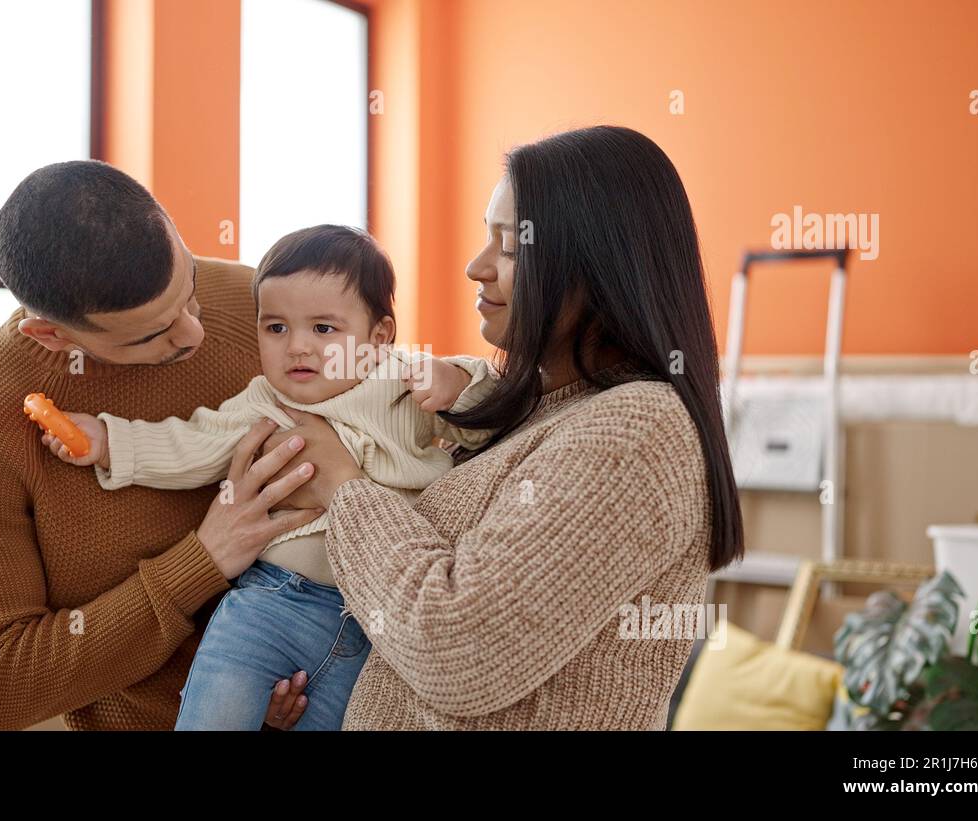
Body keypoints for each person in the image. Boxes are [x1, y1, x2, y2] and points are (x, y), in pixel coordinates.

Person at [278, 125, 746, 729]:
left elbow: (457, 649)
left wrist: (341, 487)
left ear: (597, 266)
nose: (476, 268)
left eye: (509, 246)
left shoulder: (635, 433)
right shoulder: (538, 411)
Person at [42, 224, 498, 730]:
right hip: (268, 606)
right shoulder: (263, 402)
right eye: (275, 328)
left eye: (323, 329)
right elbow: (192, 443)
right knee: (214, 714)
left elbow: (494, 422)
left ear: (378, 337)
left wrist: (459, 383)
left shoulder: (405, 377)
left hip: (379, 621)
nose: (297, 347)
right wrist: (109, 442)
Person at [0, 160, 322, 730]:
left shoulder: (267, 302)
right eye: (152, 334)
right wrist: (202, 561)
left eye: (189, 291)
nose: (193, 334)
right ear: (52, 335)